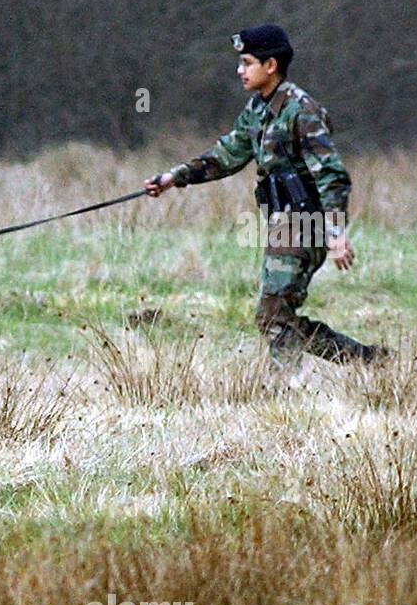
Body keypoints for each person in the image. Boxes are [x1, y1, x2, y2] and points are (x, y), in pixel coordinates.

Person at [144, 24, 387, 366]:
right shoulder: (258, 109)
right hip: (282, 223)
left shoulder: (301, 111)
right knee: (275, 317)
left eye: (247, 62)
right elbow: (228, 154)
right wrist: (175, 177)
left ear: (270, 65)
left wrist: (335, 234)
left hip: (306, 223)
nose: (239, 70)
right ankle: (368, 361)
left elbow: (332, 176)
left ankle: (284, 389)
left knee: (272, 315)